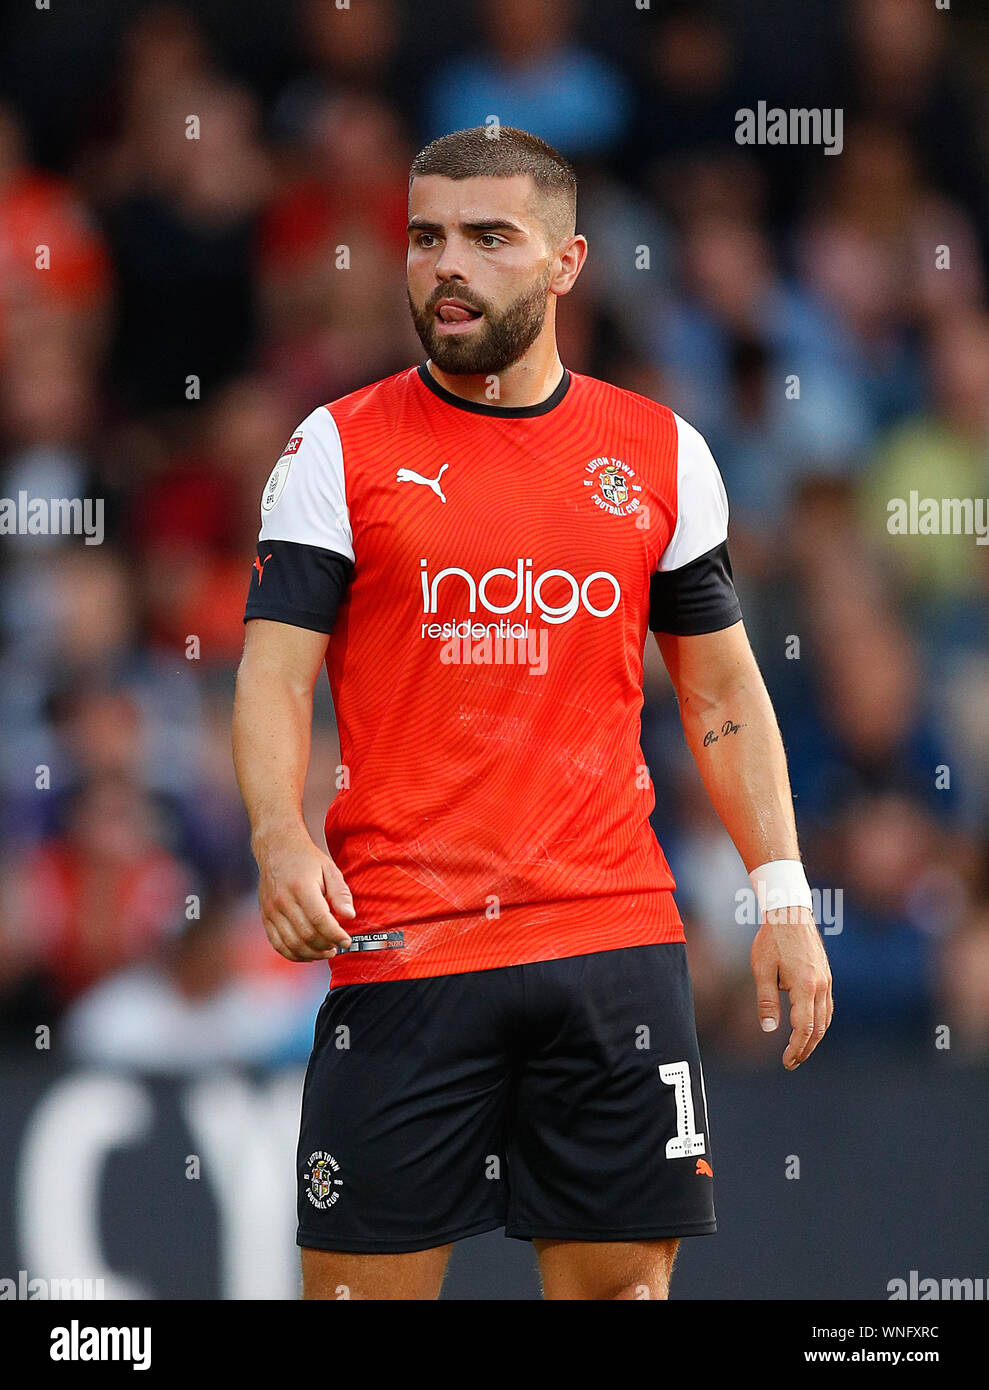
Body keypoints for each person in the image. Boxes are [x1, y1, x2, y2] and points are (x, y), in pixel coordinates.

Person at [232, 126, 833, 1301]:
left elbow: (718, 691)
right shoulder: (333, 448)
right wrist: (276, 834)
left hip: (608, 940)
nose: (445, 265)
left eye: (488, 238)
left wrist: (778, 894)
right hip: (405, 942)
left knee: (619, 1290)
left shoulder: (658, 452)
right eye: (425, 237)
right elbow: (269, 676)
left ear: (566, 265)